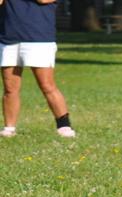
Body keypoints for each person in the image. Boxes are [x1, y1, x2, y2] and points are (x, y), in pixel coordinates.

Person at [0, 0, 75, 139]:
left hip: (39, 38)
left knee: (47, 85)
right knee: (10, 88)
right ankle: (9, 128)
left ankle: (64, 125)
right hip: (8, 38)